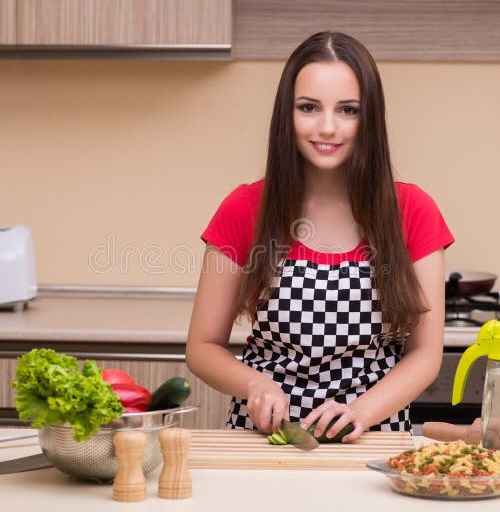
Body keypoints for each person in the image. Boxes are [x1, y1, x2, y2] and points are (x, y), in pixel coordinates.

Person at [185, 31, 454, 442]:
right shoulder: (243, 208)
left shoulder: (412, 210)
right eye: (309, 108)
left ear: (370, 119)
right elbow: (202, 347)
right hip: (264, 440)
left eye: (348, 110)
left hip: (372, 438)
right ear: (286, 114)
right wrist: (255, 384)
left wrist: (360, 412)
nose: (327, 128)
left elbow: (425, 355)